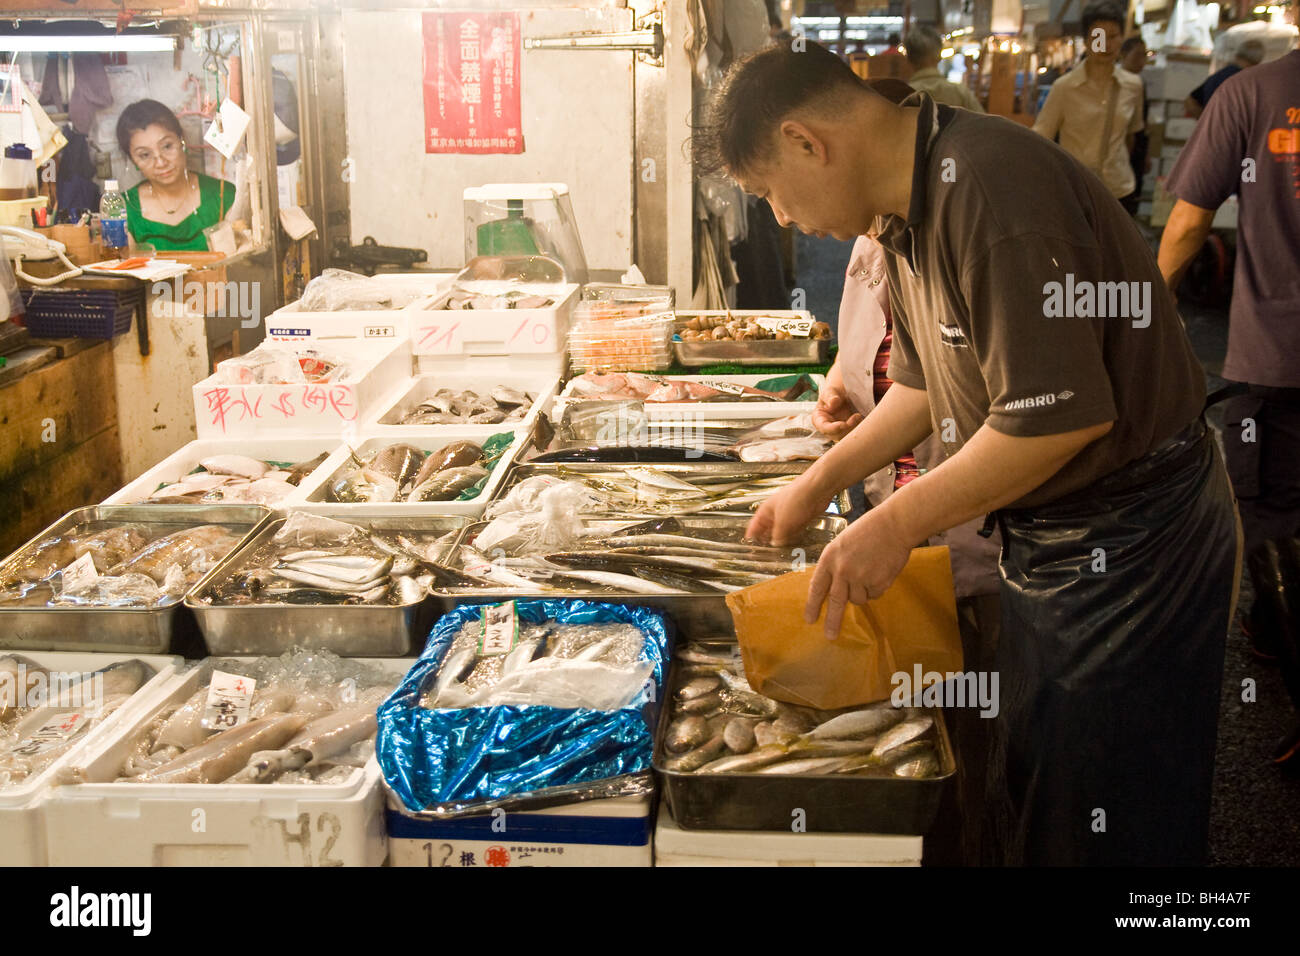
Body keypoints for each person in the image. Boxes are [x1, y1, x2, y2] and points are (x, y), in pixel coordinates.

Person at [696, 40, 1239, 866]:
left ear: (809, 142)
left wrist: (891, 525)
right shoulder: (904, 211)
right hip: (1054, 532)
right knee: (1042, 790)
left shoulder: (988, 185)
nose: (782, 219)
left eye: (771, 192)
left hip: (1132, 542)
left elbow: (1056, 421)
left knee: (1108, 809)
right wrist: (818, 483)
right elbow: (920, 388)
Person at [1158, 45, 1300, 759]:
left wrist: (1141, 320)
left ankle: (1280, 636)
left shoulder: (1252, 92)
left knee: (1274, 520)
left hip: (1278, 356)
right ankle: (1274, 634)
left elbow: (1187, 226)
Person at [1032, 2, 1145, 201]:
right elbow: (1041, 137)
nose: (1106, 44)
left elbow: (1131, 136)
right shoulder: (1065, 87)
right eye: (1098, 37)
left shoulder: (1133, 85)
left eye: (1113, 36)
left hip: (1119, 190)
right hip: (1075, 190)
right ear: (1085, 41)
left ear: (1122, 38)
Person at [115, 99, 235, 251]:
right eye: (145, 155)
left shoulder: (224, 195)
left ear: (182, 141)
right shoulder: (125, 208)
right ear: (133, 161)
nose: (160, 162)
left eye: (167, 146)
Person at [903, 25, 984, 112]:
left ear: (908, 59)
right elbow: (987, 123)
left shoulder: (901, 96)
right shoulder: (961, 93)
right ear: (939, 57)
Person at [1184, 39, 1265, 118]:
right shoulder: (1246, 81)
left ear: (1237, 55)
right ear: (1257, 62)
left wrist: (1205, 120)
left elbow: (1190, 100)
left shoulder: (1218, 76)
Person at [1118, 36, 1150, 215]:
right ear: (1123, 55)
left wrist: (1146, 154)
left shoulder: (1139, 83)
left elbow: (1142, 123)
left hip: (1136, 149)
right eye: (1137, 55)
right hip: (1121, 152)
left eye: (1144, 55)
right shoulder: (1116, 83)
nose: (1142, 61)